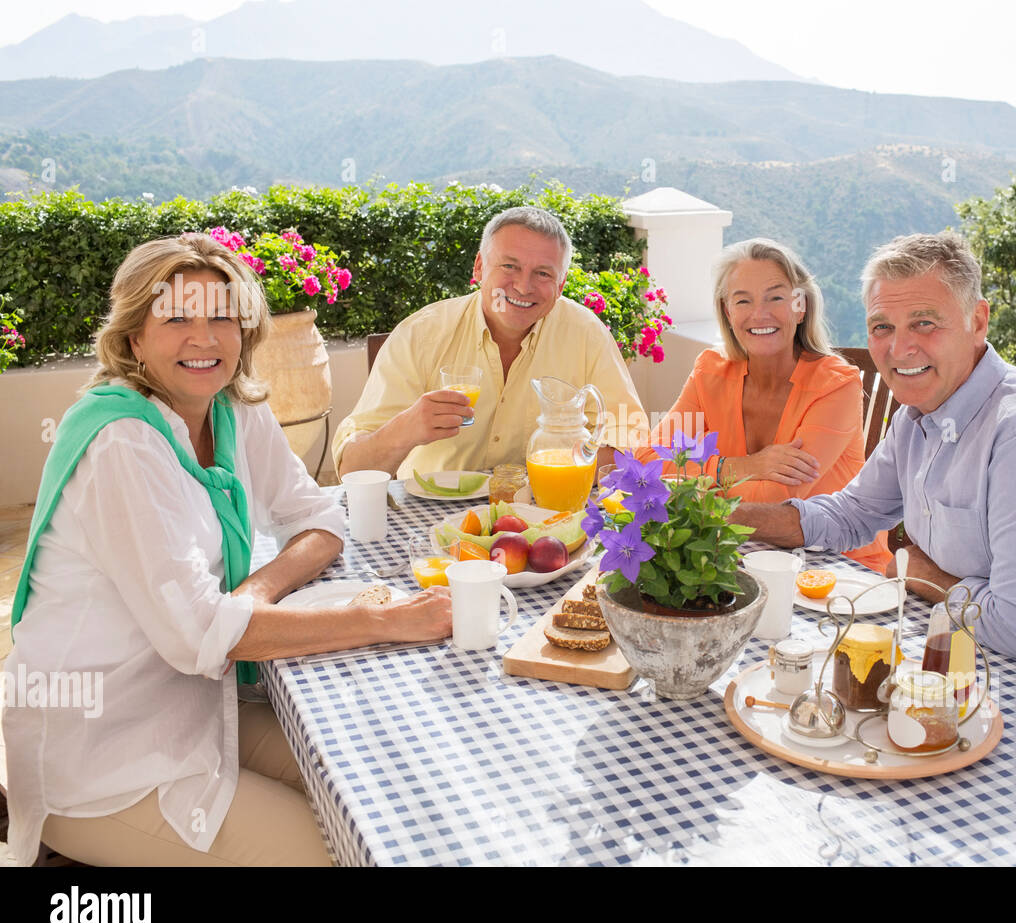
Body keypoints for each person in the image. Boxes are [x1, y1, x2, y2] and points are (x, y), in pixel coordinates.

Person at [2, 235, 452, 867]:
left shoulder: (233, 407)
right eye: (177, 318)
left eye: (222, 317)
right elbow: (199, 634)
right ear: (134, 338)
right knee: (336, 854)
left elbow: (320, 514)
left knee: (379, 785)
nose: (204, 338)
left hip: (198, 708)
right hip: (105, 761)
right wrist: (387, 621)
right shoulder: (123, 445)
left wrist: (255, 591)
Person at [731, 232, 1016, 708]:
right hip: (969, 676)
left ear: (978, 321)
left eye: (924, 323)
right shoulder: (919, 415)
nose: (899, 348)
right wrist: (728, 517)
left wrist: (921, 573)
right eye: (882, 327)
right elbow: (849, 515)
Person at [633, 238, 891, 572]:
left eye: (776, 297)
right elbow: (646, 466)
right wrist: (746, 466)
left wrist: (684, 493)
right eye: (743, 301)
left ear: (800, 307)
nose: (760, 314)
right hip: (730, 555)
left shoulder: (835, 386)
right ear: (728, 311)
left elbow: (776, 506)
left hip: (834, 569)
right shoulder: (710, 371)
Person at [333, 206, 647, 479]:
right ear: (479, 267)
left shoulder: (585, 334)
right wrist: (405, 429)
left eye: (543, 274)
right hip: (432, 525)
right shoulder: (420, 335)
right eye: (509, 266)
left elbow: (630, 441)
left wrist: (549, 467)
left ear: (561, 284)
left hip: (548, 515)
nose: (524, 286)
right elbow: (352, 469)